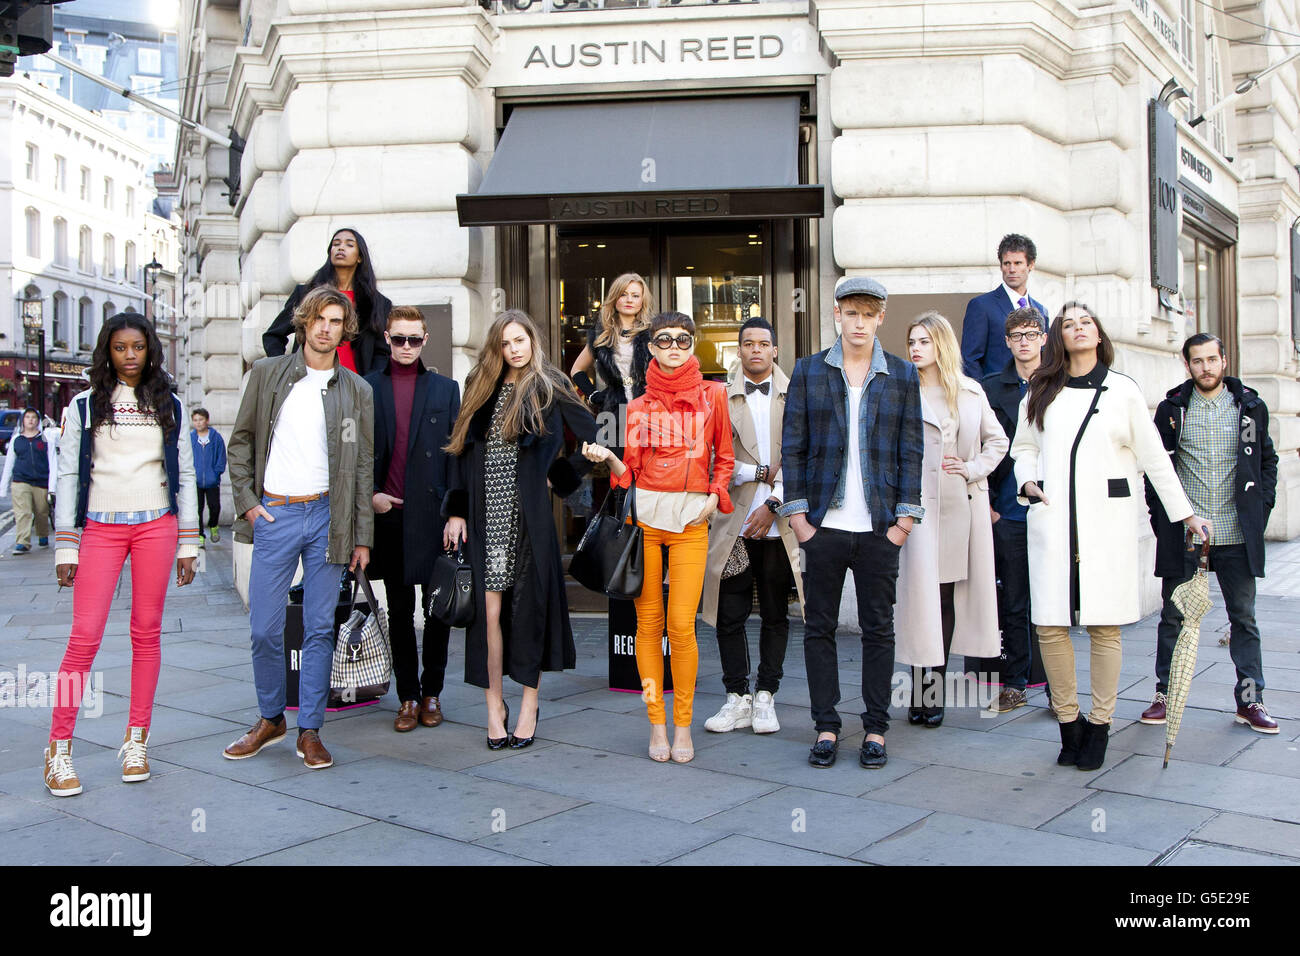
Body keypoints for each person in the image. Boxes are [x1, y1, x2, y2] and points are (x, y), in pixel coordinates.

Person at [1012, 303, 1211, 772]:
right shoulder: (1040, 390)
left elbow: (1156, 459)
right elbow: (1024, 447)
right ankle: (1068, 722)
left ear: (1099, 334)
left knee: (1104, 626)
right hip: (1053, 520)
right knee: (1050, 625)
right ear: (1058, 337)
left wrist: (1185, 515)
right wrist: (1027, 482)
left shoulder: (1122, 391)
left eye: (1086, 322)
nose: (1078, 328)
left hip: (1107, 524)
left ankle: (1100, 725)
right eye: (1068, 323)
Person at [43, 313, 201, 797]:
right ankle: (59, 748)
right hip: (100, 529)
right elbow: (68, 474)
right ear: (107, 352)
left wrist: (188, 542)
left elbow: (186, 474)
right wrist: (65, 544)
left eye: (137, 346)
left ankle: (136, 741)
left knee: (146, 634)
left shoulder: (169, 403)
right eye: (120, 348)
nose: (130, 355)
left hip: (156, 525)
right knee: (84, 638)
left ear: (150, 349)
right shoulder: (85, 405)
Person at [223, 286, 374, 771]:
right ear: (304, 323)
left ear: (344, 329)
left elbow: (363, 465)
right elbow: (240, 441)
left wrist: (362, 535)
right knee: (264, 628)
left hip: (330, 518)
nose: (326, 328)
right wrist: (248, 503)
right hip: (277, 514)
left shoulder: (357, 391)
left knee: (318, 629)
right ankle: (271, 718)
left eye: (335, 321)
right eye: (319, 319)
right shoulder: (268, 375)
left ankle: (310, 728)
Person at [780, 276, 924, 771]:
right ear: (837, 315)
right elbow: (792, 449)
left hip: (880, 527)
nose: (859, 323)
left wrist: (903, 523)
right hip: (823, 526)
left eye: (869, 314)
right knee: (818, 627)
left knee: (878, 629)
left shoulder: (902, 376)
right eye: (851, 313)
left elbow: (912, 452)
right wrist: (799, 520)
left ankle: (877, 728)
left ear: (881, 317)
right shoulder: (809, 372)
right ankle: (825, 725)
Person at [582, 311, 735, 763]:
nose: (673, 347)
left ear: (694, 345)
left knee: (681, 627)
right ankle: (656, 725)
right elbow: (630, 476)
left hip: (690, 522)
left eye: (683, 340)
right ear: (650, 347)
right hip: (645, 522)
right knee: (648, 627)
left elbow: (724, 458)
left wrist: (715, 496)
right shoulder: (641, 406)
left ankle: (683, 724)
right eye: (664, 339)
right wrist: (608, 460)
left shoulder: (714, 396)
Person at [442, 310, 597, 751]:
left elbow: (597, 437)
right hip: (484, 515)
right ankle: (495, 708)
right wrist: (455, 509)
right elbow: (457, 452)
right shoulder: (480, 385)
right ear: (496, 347)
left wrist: (559, 476)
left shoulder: (550, 385)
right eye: (506, 342)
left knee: (529, 611)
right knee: (488, 616)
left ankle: (528, 704)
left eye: (521, 339)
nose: (514, 349)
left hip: (528, 517)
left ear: (533, 339)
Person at [1142, 333, 1279, 733]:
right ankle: (1165, 695)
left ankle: (1250, 701)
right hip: (1188, 534)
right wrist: (1163, 518)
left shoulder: (1250, 408)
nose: (1205, 367)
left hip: (1237, 534)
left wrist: (1261, 508)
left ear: (1224, 360)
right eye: (1197, 361)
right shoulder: (1172, 410)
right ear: (1187, 366)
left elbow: (1265, 461)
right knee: (1174, 617)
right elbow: (1157, 469)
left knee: (1244, 619)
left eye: (1211, 360)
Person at [895, 312, 1006, 727]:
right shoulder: (901, 388)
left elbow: (999, 440)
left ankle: (931, 694)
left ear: (941, 344)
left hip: (961, 507)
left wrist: (973, 467)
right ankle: (920, 690)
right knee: (917, 600)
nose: (915, 349)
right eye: (912, 341)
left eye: (924, 341)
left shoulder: (969, 391)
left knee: (943, 599)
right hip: (916, 508)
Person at [699, 317, 803, 735]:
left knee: (777, 613)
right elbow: (709, 461)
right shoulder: (719, 399)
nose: (756, 350)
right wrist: (758, 471)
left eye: (764, 343)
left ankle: (766, 696)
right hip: (734, 524)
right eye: (748, 344)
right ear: (738, 351)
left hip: (781, 524)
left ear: (775, 350)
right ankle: (735, 696)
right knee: (730, 614)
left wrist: (774, 502)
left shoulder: (796, 395)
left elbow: (805, 458)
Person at [366, 306, 461, 733]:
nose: (406, 347)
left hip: (434, 518)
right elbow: (354, 456)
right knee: (400, 612)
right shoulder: (366, 388)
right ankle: (406, 696)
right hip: (390, 517)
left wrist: (456, 512)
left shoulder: (445, 389)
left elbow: (456, 455)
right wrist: (370, 497)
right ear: (387, 338)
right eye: (399, 339)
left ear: (425, 340)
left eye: (414, 339)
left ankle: (432, 693)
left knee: (438, 609)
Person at [981, 307, 1048, 712]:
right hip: (1008, 510)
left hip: (1054, 508)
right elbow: (976, 446)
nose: (1024, 341)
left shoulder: (1061, 385)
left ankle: (1061, 690)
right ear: (1007, 342)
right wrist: (988, 506)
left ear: (1043, 338)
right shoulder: (991, 388)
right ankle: (1015, 682)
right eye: (1017, 335)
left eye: (1031, 333)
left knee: (1056, 599)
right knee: (1015, 601)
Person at [261, 227, 393, 375]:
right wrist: (284, 369)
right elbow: (273, 336)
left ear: (360, 257)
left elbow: (383, 352)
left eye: (349, 244)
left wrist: (369, 384)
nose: (340, 247)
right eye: (336, 244)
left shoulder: (378, 303)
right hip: (308, 381)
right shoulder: (305, 294)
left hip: (353, 387)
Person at [570, 272, 655, 450]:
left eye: (635, 295)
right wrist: (594, 396)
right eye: (623, 294)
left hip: (649, 413)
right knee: (620, 469)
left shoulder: (653, 334)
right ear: (615, 299)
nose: (629, 300)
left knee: (648, 471)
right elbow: (576, 370)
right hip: (614, 414)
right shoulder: (601, 335)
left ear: (642, 301)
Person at [960, 233, 1049, 378]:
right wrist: (985, 395)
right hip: (995, 395)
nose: (1012, 269)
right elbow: (970, 360)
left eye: (1018, 263)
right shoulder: (981, 306)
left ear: (1031, 265)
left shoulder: (1041, 311)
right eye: (1007, 263)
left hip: (1035, 394)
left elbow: (1045, 358)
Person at [1, 408, 56, 553]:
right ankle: (22, 542)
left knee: (41, 512)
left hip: (41, 481)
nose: (30, 420)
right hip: (20, 481)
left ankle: (43, 534)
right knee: (23, 512)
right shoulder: (16, 440)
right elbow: (9, 464)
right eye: (27, 417)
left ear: (38, 421)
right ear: (23, 421)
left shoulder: (45, 439)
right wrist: (2, 487)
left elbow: (53, 462)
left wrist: (52, 486)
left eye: (33, 417)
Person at [189, 407, 227, 545]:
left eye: (201, 419)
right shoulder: (191, 438)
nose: (198, 423)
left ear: (207, 420)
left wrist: (216, 473)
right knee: (197, 509)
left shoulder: (215, 438)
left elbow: (221, 457)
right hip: (196, 481)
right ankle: (200, 535)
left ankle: (213, 526)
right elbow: (186, 457)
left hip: (212, 481)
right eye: (195, 420)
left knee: (215, 506)